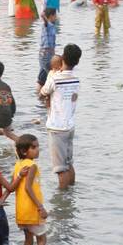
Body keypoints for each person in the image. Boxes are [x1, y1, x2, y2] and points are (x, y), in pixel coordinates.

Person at [40, 42, 81, 190]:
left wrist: (52, 74)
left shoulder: (55, 78)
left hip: (57, 128)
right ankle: (71, 194)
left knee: (60, 169)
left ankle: (63, 205)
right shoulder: (76, 79)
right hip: (70, 126)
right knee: (69, 164)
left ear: (63, 58)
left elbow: (42, 92)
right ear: (77, 62)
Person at [7, 133, 47, 245]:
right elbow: (28, 188)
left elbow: (12, 187)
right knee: (42, 239)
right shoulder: (32, 165)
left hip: (22, 212)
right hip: (32, 211)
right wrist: (40, 207)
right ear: (24, 151)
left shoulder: (18, 165)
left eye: (38, 146)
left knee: (28, 239)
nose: (37, 150)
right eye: (34, 147)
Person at [37, 7, 57, 87]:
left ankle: (41, 93)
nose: (56, 17)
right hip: (45, 54)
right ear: (51, 16)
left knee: (45, 75)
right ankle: (43, 93)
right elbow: (45, 21)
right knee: (48, 73)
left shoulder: (51, 26)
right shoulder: (47, 25)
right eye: (55, 15)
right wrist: (43, 16)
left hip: (49, 53)